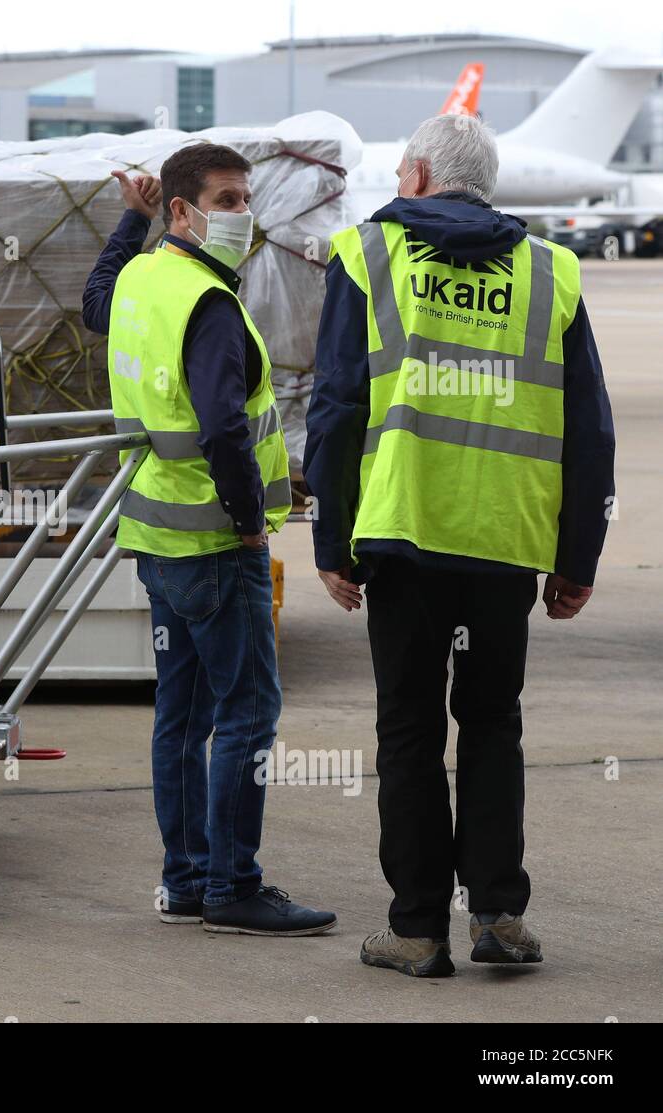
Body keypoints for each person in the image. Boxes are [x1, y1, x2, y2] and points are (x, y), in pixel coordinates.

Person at [304, 114, 615, 976]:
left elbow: (336, 406)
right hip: (504, 541)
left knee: (407, 732)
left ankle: (415, 929)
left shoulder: (369, 254)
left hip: (403, 538)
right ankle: (499, 918)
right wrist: (577, 554)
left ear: (416, 175)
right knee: (490, 726)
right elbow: (590, 427)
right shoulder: (551, 270)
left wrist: (332, 536)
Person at [83, 144, 336, 936]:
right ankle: (233, 885)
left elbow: (95, 298)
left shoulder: (141, 281)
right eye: (226, 200)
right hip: (218, 548)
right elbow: (225, 424)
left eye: (245, 199)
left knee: (182, 717)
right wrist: (249, 520)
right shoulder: (211, 306)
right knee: (248, 712)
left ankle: (187, 880)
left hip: (156, 542)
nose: (243, 215)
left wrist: (130, 218)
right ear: (184, 213)